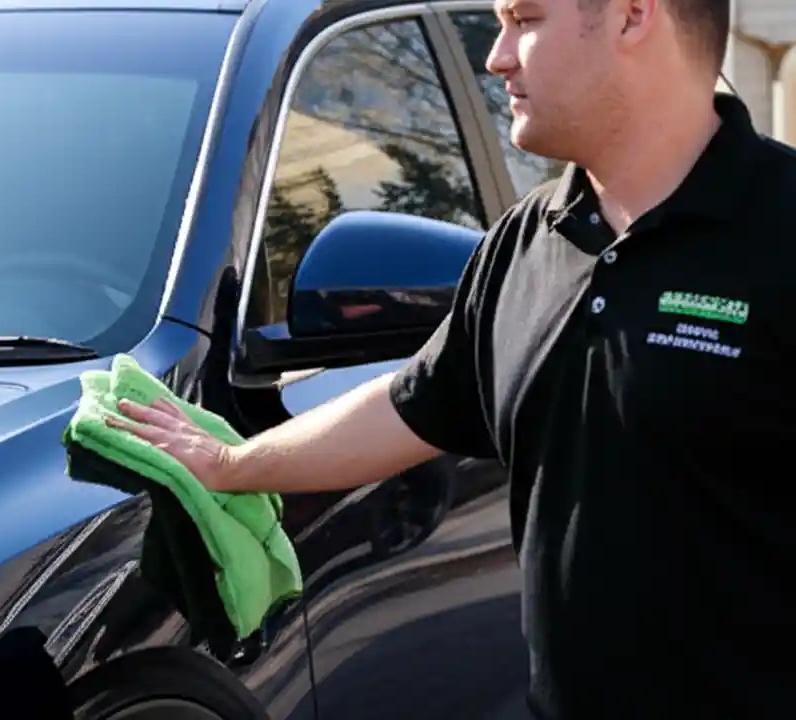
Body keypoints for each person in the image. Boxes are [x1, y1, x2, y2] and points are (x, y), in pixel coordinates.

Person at [107, 0, 796, 717]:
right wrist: (231, 466)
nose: (496, 57)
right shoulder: (526, 243)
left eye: (526, 21)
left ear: (630, 16)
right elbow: (413, 406)